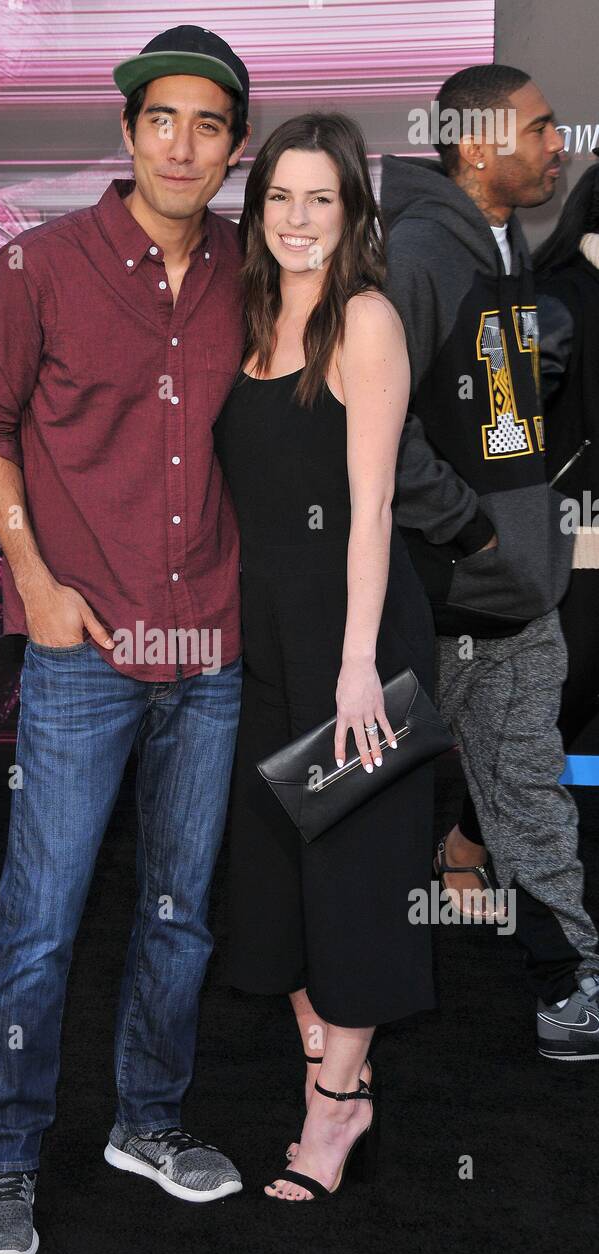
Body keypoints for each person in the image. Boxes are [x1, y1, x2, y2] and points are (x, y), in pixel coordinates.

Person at [0, 26, 252, 1254]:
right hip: (81, 641)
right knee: (42, 918)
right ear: (125, 131)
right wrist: (35, 580)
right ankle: (7, 1163)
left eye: (209, 125)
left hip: (213, 644)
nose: (183, 144)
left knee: (180, 914)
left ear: (233, 148)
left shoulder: (254, 260)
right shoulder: (41, 266)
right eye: (162, 119)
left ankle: (146, 1119)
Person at [214, 112, 436, 1202]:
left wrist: (354, 666)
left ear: (352, 212)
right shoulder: (245, 312)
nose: (298, 220)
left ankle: (331, 1110)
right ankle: (330, 1053)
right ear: (256, 211)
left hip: (354, 638)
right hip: (263, 640)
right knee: (266, 873)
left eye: (321, 199)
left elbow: (371, 509)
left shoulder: (363, 320)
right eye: (280, 198)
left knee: (348, 871)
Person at [380, 65, 599, 1061]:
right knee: (338, 794)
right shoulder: (423, 252)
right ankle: (300, 973)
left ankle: (567, 983)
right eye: (540, 130)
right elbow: (370, 426)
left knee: (523, 791)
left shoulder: (496, 248)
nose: (559, 147)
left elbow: (491, 418)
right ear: (476, 148)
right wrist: (465, 528)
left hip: (503, 591)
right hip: (435, 588)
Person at [534, 157, 599, 747]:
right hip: (578, 551)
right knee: (560, 705)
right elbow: (509, 429)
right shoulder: (561, 296)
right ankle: (467, 840)